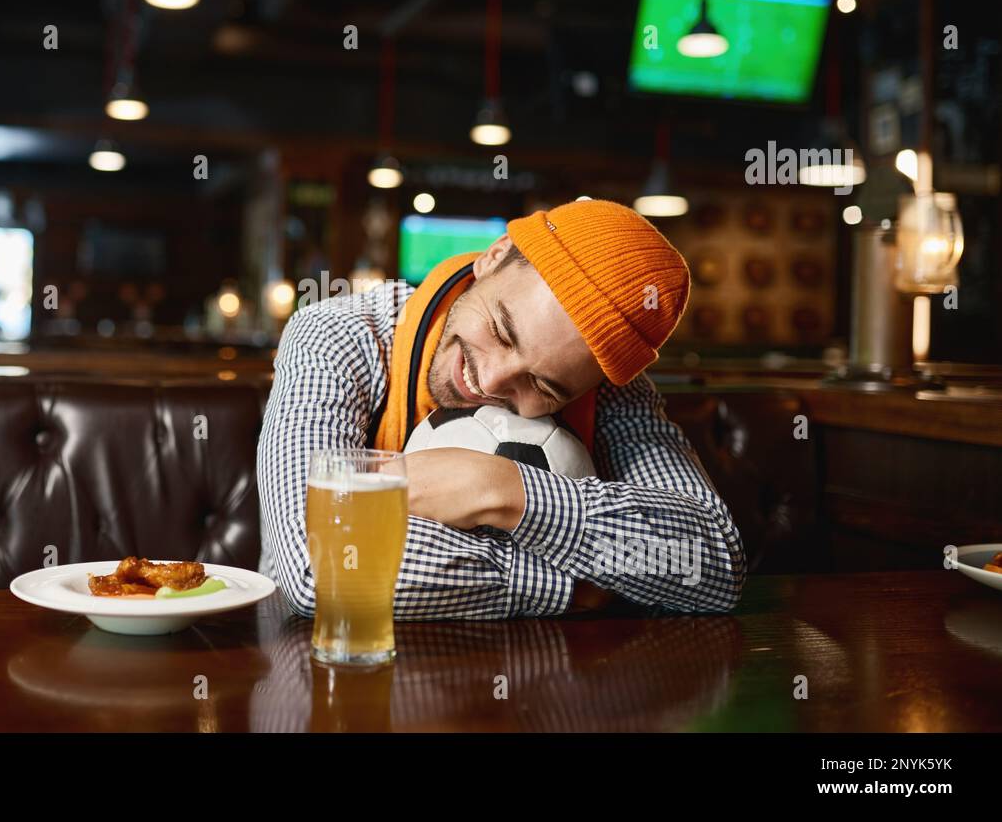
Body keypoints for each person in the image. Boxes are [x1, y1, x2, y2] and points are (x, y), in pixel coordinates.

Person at [257, 199, 745, 620]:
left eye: (542, 385)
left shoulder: (606, 386)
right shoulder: (338, 334)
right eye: (502, 330)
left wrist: (503, 492)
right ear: (493, 258)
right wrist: (572, 586)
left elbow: (711, 561)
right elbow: (316, 567)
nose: (488, 381)